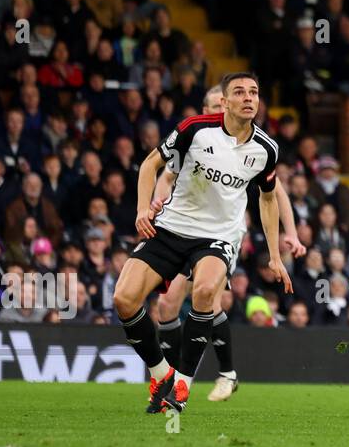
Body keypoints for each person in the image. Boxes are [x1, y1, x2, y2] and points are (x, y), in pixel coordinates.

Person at [113, 71, 291, 414]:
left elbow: (268, 199)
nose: (249, 98)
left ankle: (182, 383)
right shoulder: (195, 128)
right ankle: (160, 373)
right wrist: (141, 209)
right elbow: (152, 165)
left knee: (207, 291)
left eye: (254, 92)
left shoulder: (266, 148)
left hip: (218, 236)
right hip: (171, 228)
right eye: (240, 92)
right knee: (124, 298)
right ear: (224, 101)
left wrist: (275, 255)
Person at [149, 84, 304, 401]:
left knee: (208, 299)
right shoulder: (196, 137)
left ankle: (222, 374)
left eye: (217, 107)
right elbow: (166, 173)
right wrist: (155, 203)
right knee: (166, 305)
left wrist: (291, 233)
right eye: (209, 108)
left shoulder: (253, 146)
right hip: (185, 231)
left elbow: (274, 194)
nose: (214, 113)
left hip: (223, 235)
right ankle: (172, 378)